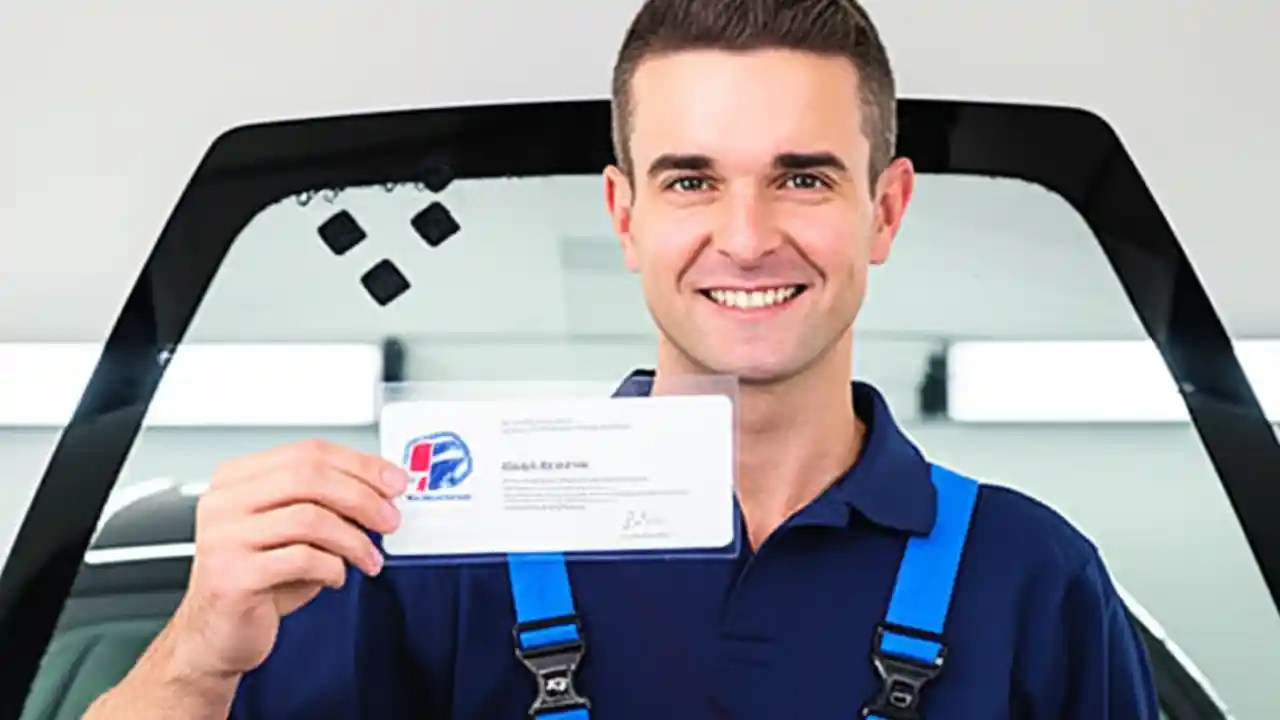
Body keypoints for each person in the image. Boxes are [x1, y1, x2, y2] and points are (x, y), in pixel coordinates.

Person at [85, 0, 1159, 717]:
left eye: (801, 178)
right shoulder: (430, 550)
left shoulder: (1031, 577)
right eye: (691, 180)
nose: (743, 237)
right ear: (624, 210)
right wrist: (194, 654)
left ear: (883, 209)